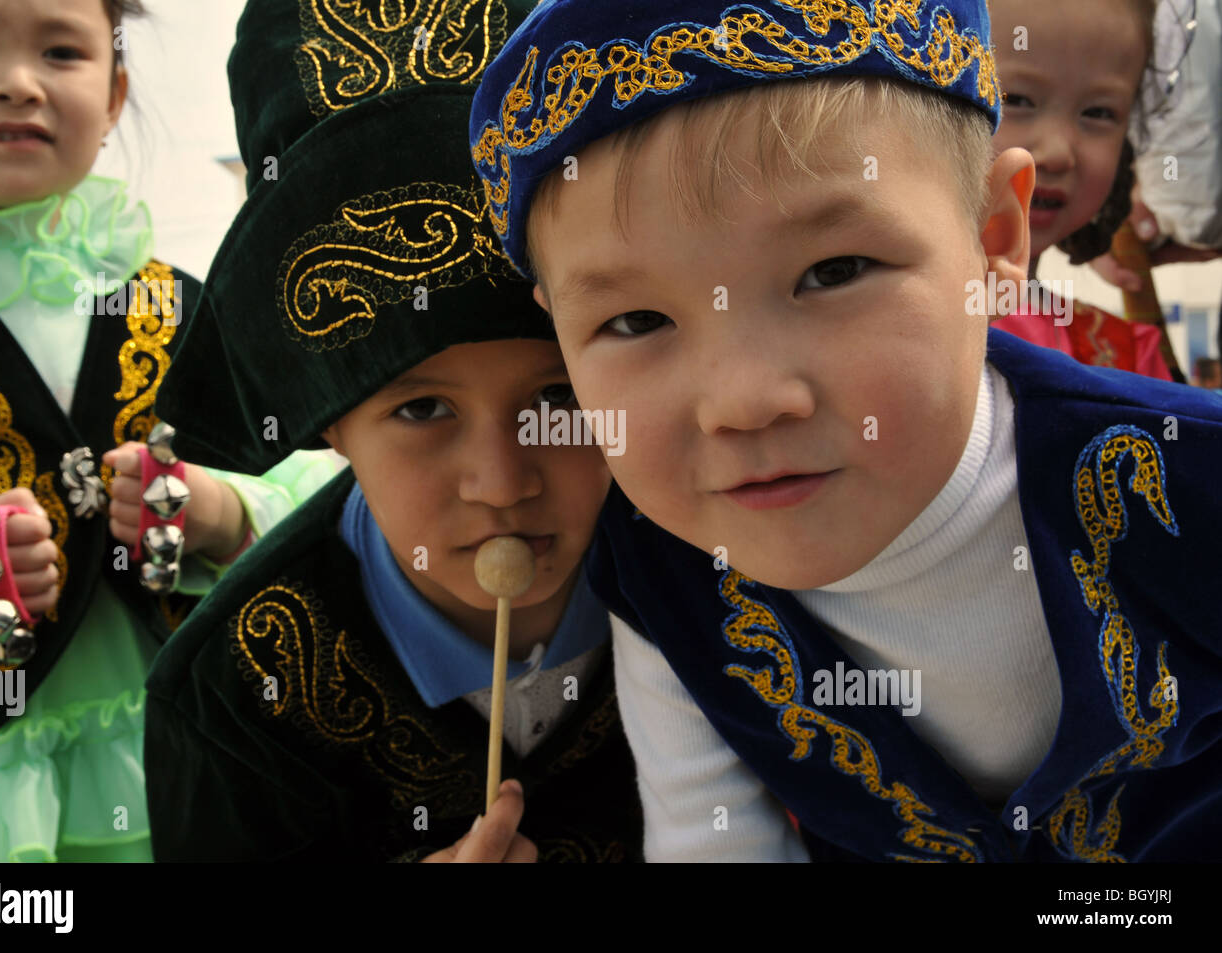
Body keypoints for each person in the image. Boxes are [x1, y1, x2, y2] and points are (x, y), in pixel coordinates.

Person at [470, 0, 1222, 861]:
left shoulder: (1187, 480)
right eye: (636, 321)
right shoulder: (660, 580)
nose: (742, 402)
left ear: (992, 237)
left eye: (833, 272)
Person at [142, 0, 643, 863]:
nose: (501, 479)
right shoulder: (235, 689)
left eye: (558, 397)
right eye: (420, 408)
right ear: (329, 418)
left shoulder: (719, 579)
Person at [0, 0, 338, 862]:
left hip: (162, 754)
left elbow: (324, 484)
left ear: (113, 96)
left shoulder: (186, 306)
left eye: (62, 51)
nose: (17, 82)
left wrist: (220, 514)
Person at [988, 0, 1174, 379]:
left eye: (1098, 113)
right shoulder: (859, 314)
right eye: (1018, 100)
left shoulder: (1128, 361)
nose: (1058, 153)